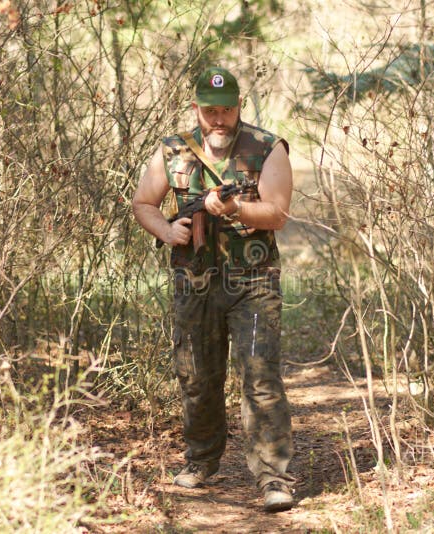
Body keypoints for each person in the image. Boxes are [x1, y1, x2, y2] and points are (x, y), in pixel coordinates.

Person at [131, 66, 295, 512]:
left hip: (253, 284)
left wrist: (236, 207)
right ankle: (201, 460)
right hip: (194, 282)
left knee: (259, 377)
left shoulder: (267, 147)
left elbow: (278, 213)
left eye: (226, 109)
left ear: (239, 105)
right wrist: (167, 231)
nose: (218, 118)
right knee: (197, 377)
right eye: (210, 110)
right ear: (196, 109)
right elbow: (143, 203)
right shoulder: (171, 151)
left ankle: (274, 477)